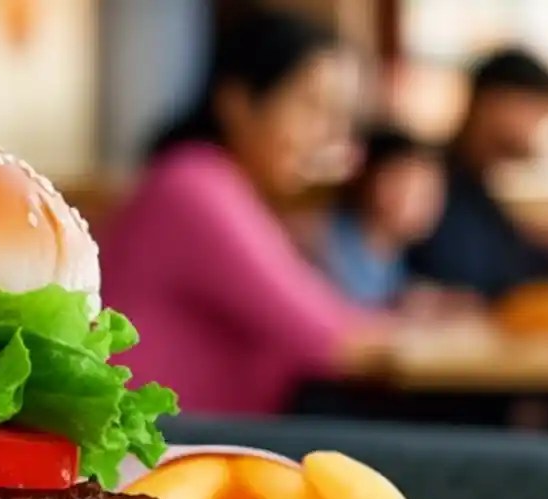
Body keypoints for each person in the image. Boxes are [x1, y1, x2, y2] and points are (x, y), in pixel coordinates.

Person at [99, 7, 381, 415]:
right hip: (166, 437)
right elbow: (332, 339)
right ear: (239, 104)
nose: (329, 135)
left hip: (219, 431)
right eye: (311, 107)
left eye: (340, 117)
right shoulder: (193, 186)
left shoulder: (231, 188)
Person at [407, 48, 548, 300]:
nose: (538, 131)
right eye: (536, 113)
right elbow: (468, 278)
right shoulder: (430, 184)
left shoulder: (478, 187)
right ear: (493, 103)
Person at [324, 126, 448, 310]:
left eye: (429, 194)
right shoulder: (326, 246)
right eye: (406, 186)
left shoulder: (393, 260)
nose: (420, 206)